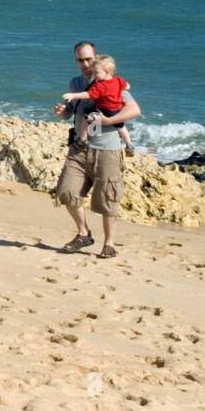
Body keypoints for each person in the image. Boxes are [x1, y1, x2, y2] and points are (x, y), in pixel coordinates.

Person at [53, 41, 141, 259]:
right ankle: (84, 234)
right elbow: (70, 112)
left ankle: (109, 244)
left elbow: (134, 109)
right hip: (79, 149)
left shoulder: (109, 81)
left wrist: (108, 121)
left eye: (89, 59)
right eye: (80, 60)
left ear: (96, 57)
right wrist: (62, 112)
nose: (85, 64)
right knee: (66, 191)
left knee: (107, 199)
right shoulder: (76, 83)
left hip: (107, 150)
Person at [61, 54, 134, 153]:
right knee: (121, 127)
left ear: (106, 72)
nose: (94, 75)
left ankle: (83, 139)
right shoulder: (118, 80)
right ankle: (129, 144)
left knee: (86, 118)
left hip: (103, 110)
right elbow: (128, 86)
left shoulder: (100, 86)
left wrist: (73, 96)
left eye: (96, 72)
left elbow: (87, 94)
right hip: (117, 111)